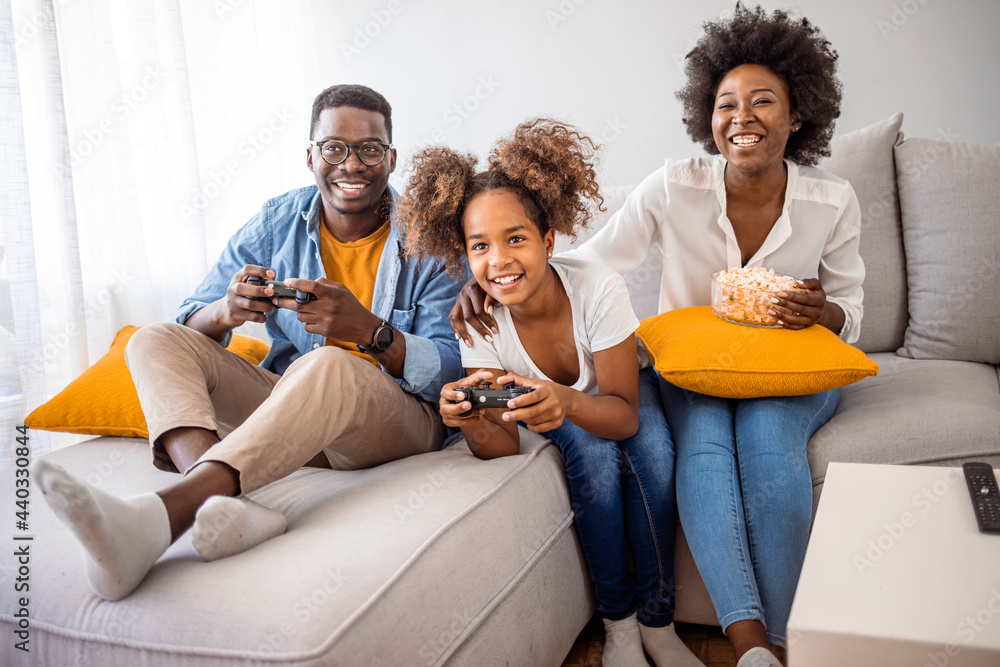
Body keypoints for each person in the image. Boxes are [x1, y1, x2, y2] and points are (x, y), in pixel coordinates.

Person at [450, 7, 864, 667]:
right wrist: (496, 278)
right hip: (695, 371)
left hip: (790, 369)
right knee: (700, 451)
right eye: (726, 103)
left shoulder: (833, 200)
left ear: (798, 115)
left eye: (764, 101)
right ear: (708, 115)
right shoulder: (675, 186)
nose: (743, 116)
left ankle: (784, 644)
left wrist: (824, 313)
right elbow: (592, 260)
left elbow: (852, 308)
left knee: (765, 439)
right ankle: (749, 647)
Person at [33, 84, 463, 601]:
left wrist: (370, 332)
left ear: (390, 159)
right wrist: (225, 312)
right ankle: (220, 502)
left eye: (370, 149)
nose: (351, 164)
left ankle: (165, 516)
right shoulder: (278, 220)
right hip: (296, 415)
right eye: (334, 147)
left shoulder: (430, 236)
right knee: (153, 340)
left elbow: (452, 373)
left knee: (329, 363)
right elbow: (191, 318)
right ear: (310, 156)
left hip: (394, 424)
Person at [397, 118, 703, 667]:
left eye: (515, 238)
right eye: (480, 247)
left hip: (622, 392)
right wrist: (469, 420)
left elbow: (625, 416)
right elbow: (502, 447)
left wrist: (563, 400)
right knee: (588, 451)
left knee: (653, 454)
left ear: (548, 240)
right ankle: (621, 625)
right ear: (464, 255)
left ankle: (659, 622)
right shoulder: (478, 324)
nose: (499, 261)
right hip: (559, 408)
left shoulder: (596, 287)